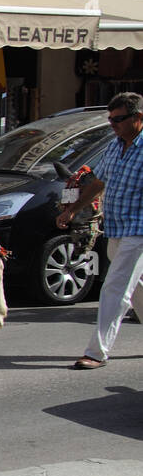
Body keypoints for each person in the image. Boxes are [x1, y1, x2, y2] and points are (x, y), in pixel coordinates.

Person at [57, 92, 143, 370]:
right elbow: (98, 182)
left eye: (118, 119)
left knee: (115, 288)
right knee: (136, 288)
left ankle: (97, 352)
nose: (113, 124)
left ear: (138, 118)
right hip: (116, 226)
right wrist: (73, 210)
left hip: (139, 229)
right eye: (110, 119)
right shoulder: (115, 145)